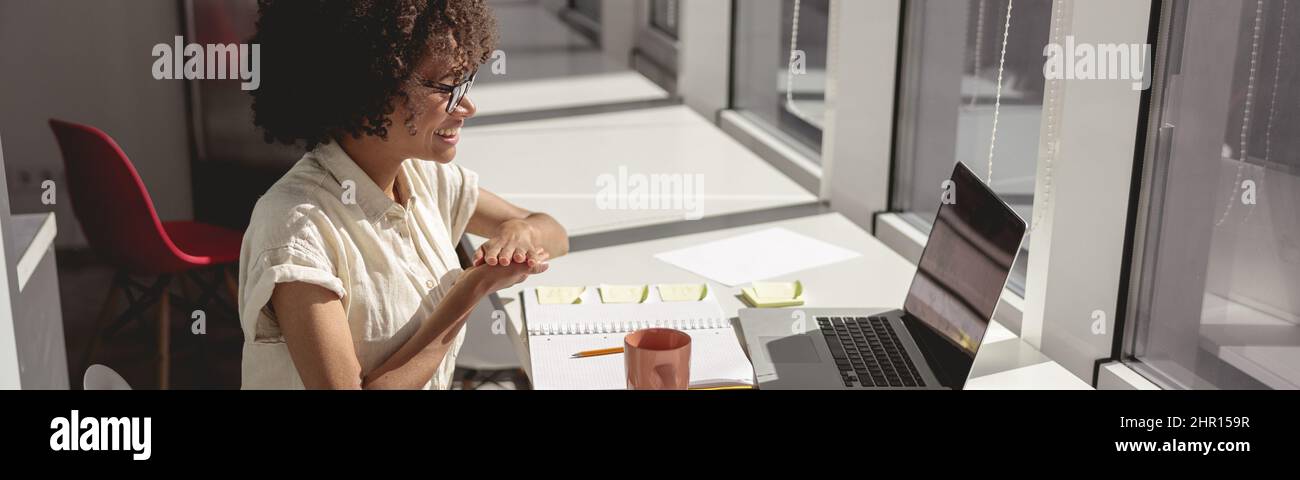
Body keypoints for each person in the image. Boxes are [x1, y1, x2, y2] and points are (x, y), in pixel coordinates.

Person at [238, 0, 568, 389]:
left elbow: (552, 231)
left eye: (465, 81)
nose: (467, 106)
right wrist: (471, 289)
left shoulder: (421, 176)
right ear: (369, 89)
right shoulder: (296, 229)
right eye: (446, 86)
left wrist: (517, 233)